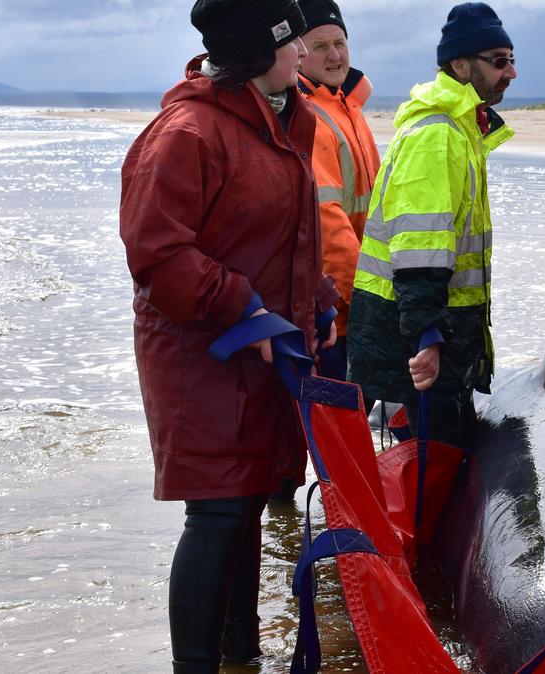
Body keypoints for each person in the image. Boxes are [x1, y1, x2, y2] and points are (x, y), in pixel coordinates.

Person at [119, 0, 338, 670]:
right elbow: (156, 253)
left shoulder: (283, 119)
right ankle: (195, 665)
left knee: (245, 503)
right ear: (255, 55)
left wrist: (318, 302)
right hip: (202, 354)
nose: (304, 55)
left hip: (265, 350)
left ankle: (242, 655)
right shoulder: (186, 131)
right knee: (216, 512)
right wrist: (243, 309)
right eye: (292, 43)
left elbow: (286, 236)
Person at [347, 2, 515, 448]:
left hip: (439, 330)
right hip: (412, 336)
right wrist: (427, 335)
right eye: (498, 61)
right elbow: (420, 247)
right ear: (460, 65)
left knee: (443, 462)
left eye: (512, 59)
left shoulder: (461, 128)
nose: (511, 72)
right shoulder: (437, 133)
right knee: (431, 470)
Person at [296, 0, 380, 359]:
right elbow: (326, 223)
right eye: (320, 46)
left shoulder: (349, 106)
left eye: (340, 43)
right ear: (298, 53)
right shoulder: (307, 115)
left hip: (360, 304)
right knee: (337, 411)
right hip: (337, 316)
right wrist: (366, 297)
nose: (335, 55)